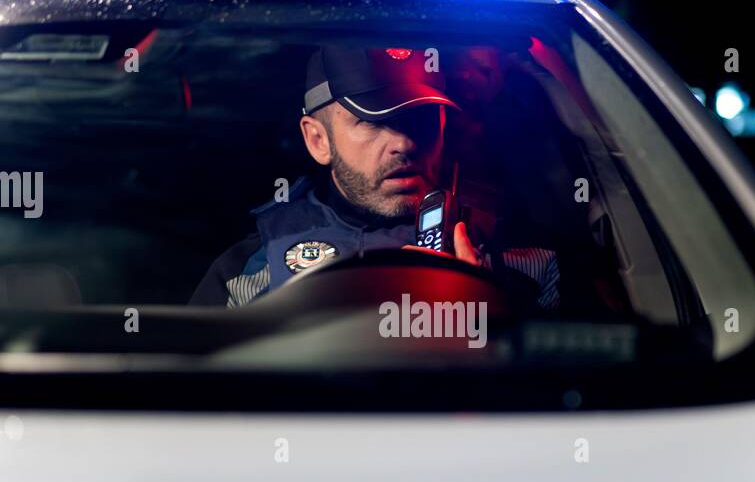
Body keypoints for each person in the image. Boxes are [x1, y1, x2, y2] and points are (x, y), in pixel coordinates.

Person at [190, 45, 559, 308]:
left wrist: (485, 309)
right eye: (372, 121)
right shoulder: (248, 272)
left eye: (421, 119)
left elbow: (579, 400)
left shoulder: (524, 259)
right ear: (318, 140)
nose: (403, 142)